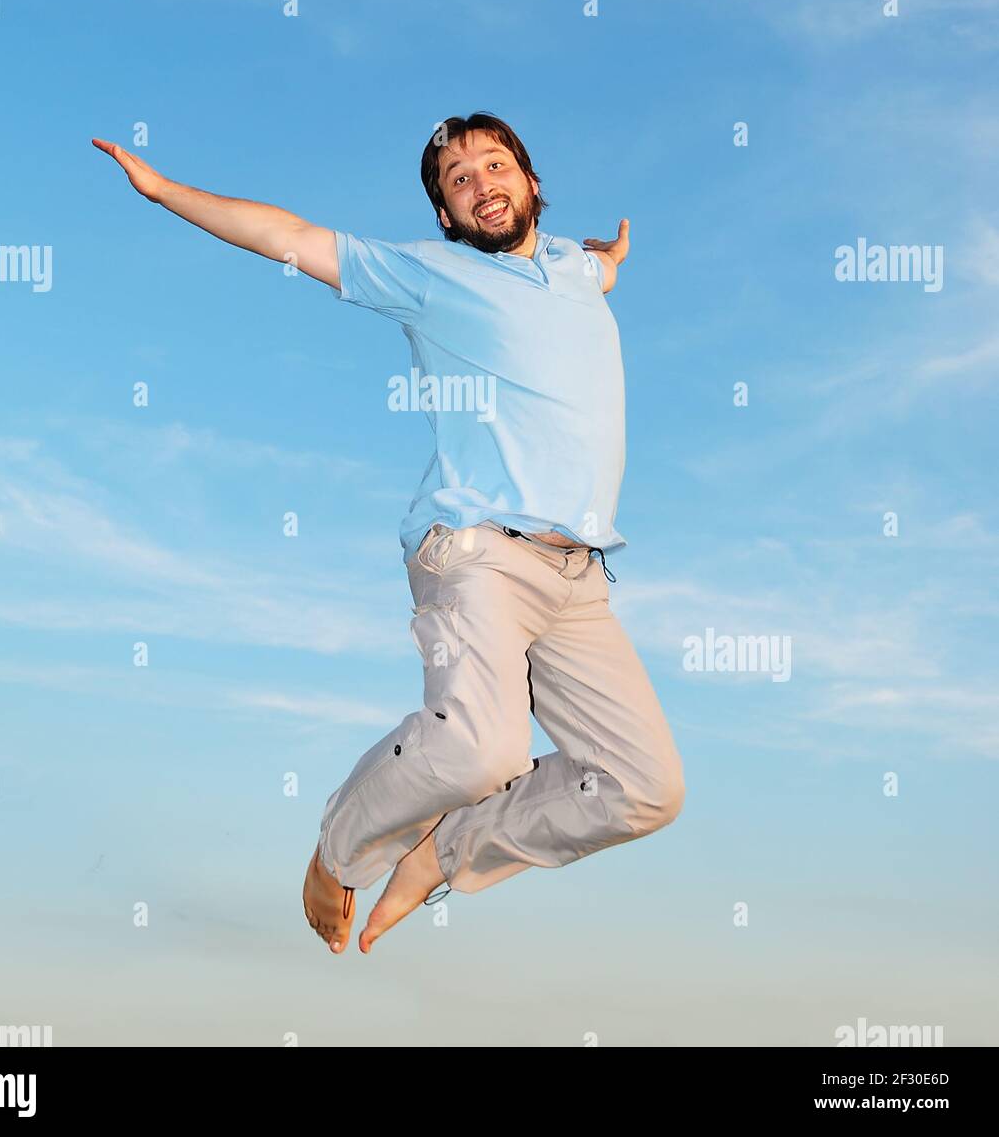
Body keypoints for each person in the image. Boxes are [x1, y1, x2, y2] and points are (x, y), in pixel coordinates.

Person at [92, 111, 685, 957]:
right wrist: (161, 189)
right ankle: (340, 850)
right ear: (446, 214)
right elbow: (289, 236)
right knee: (481, 750)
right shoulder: (430, 275)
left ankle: (443, 852)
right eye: (459, 179)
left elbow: (597, 271)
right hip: (477, 549)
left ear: (529, 181)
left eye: (493, 165)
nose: (481, 183)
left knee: (645, 789)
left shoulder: (573, 270)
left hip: (579, 578)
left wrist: (611, 259)